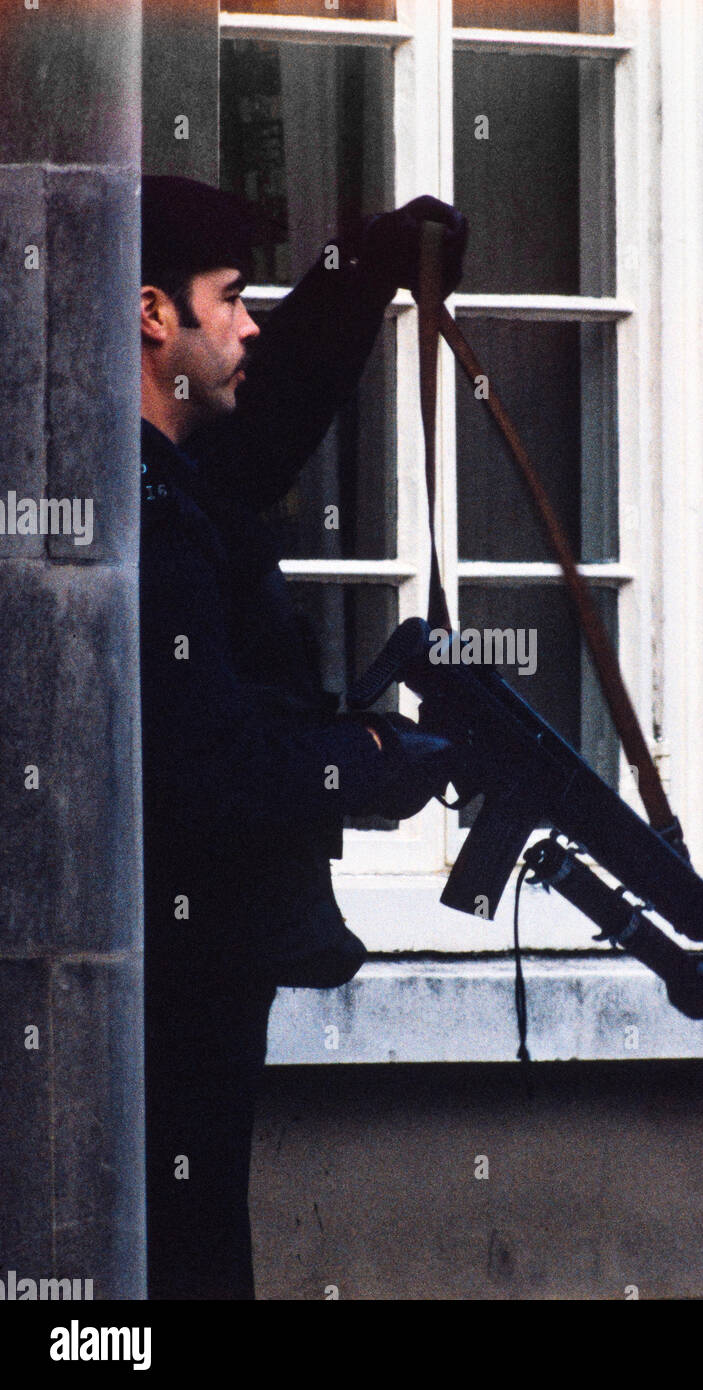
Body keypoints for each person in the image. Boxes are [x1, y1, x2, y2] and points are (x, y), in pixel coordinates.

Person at [139, 175, 467, 1299]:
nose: (249, 325)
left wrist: (365, 270)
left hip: (189, 965)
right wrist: (368, 763)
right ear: (151, 315)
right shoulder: (151, 513)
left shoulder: (169, 478)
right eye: (230, 298)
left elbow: (268, 412)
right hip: (163, 974)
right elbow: (206, 767)